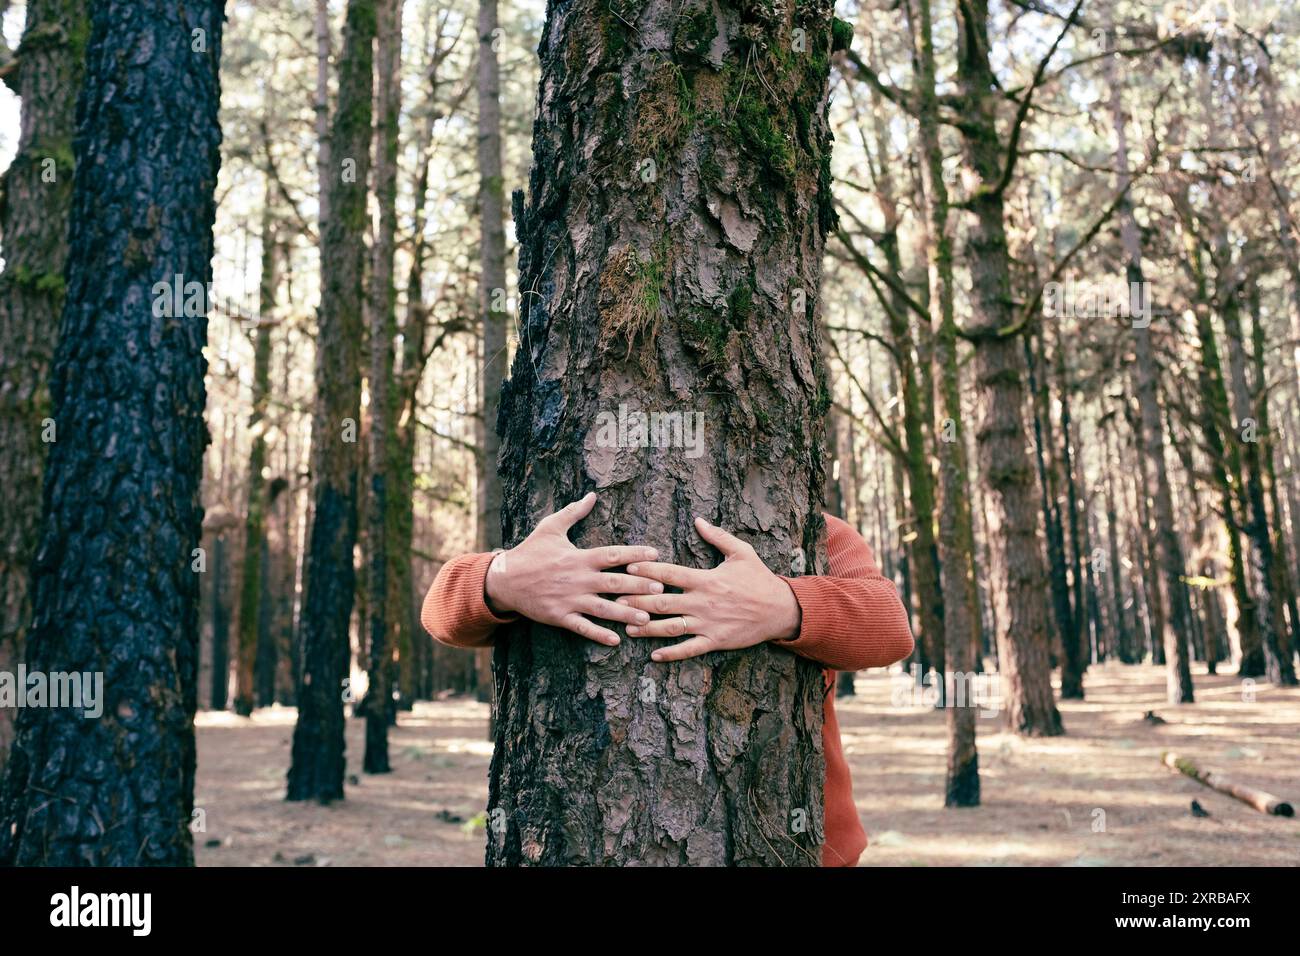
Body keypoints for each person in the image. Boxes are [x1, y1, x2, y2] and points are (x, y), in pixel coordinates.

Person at [421, 491, 914, 866]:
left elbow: (891, 627)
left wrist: (783, 606)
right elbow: (441, 612)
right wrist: (503, 579)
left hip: (801, 848)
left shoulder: (805, 529)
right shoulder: (561, 527)